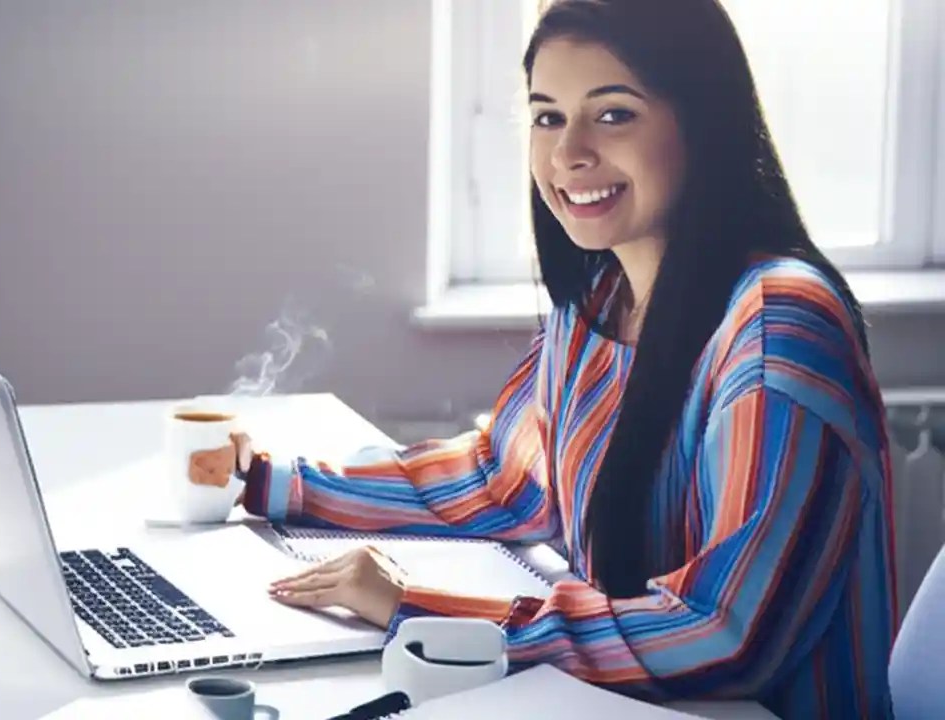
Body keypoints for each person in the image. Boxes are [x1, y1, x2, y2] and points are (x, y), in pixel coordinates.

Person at [188, 0, 898, 716]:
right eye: (547, 116)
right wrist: (277, 484)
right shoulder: (599, 298)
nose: (568, 154)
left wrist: (420, 609)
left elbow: (727, 636)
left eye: (614, 114)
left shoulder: (779, 327)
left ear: (703, 122)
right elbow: (506, 480)